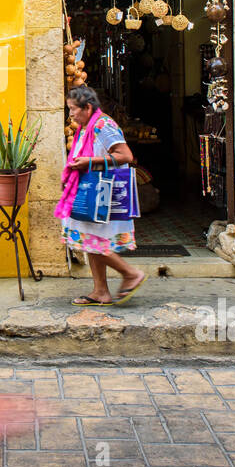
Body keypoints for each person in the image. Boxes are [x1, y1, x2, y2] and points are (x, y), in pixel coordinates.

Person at [56, 86, 146, 306]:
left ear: (87, 107)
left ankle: (131, 274)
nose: (71, 115)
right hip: (88, 192)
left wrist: (90, 162)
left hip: (101, 194)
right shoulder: (86, 127)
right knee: (89, 240)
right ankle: (100, 291)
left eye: (73, 109)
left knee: (93, 241)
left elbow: (125, 155)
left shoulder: (104, 125)